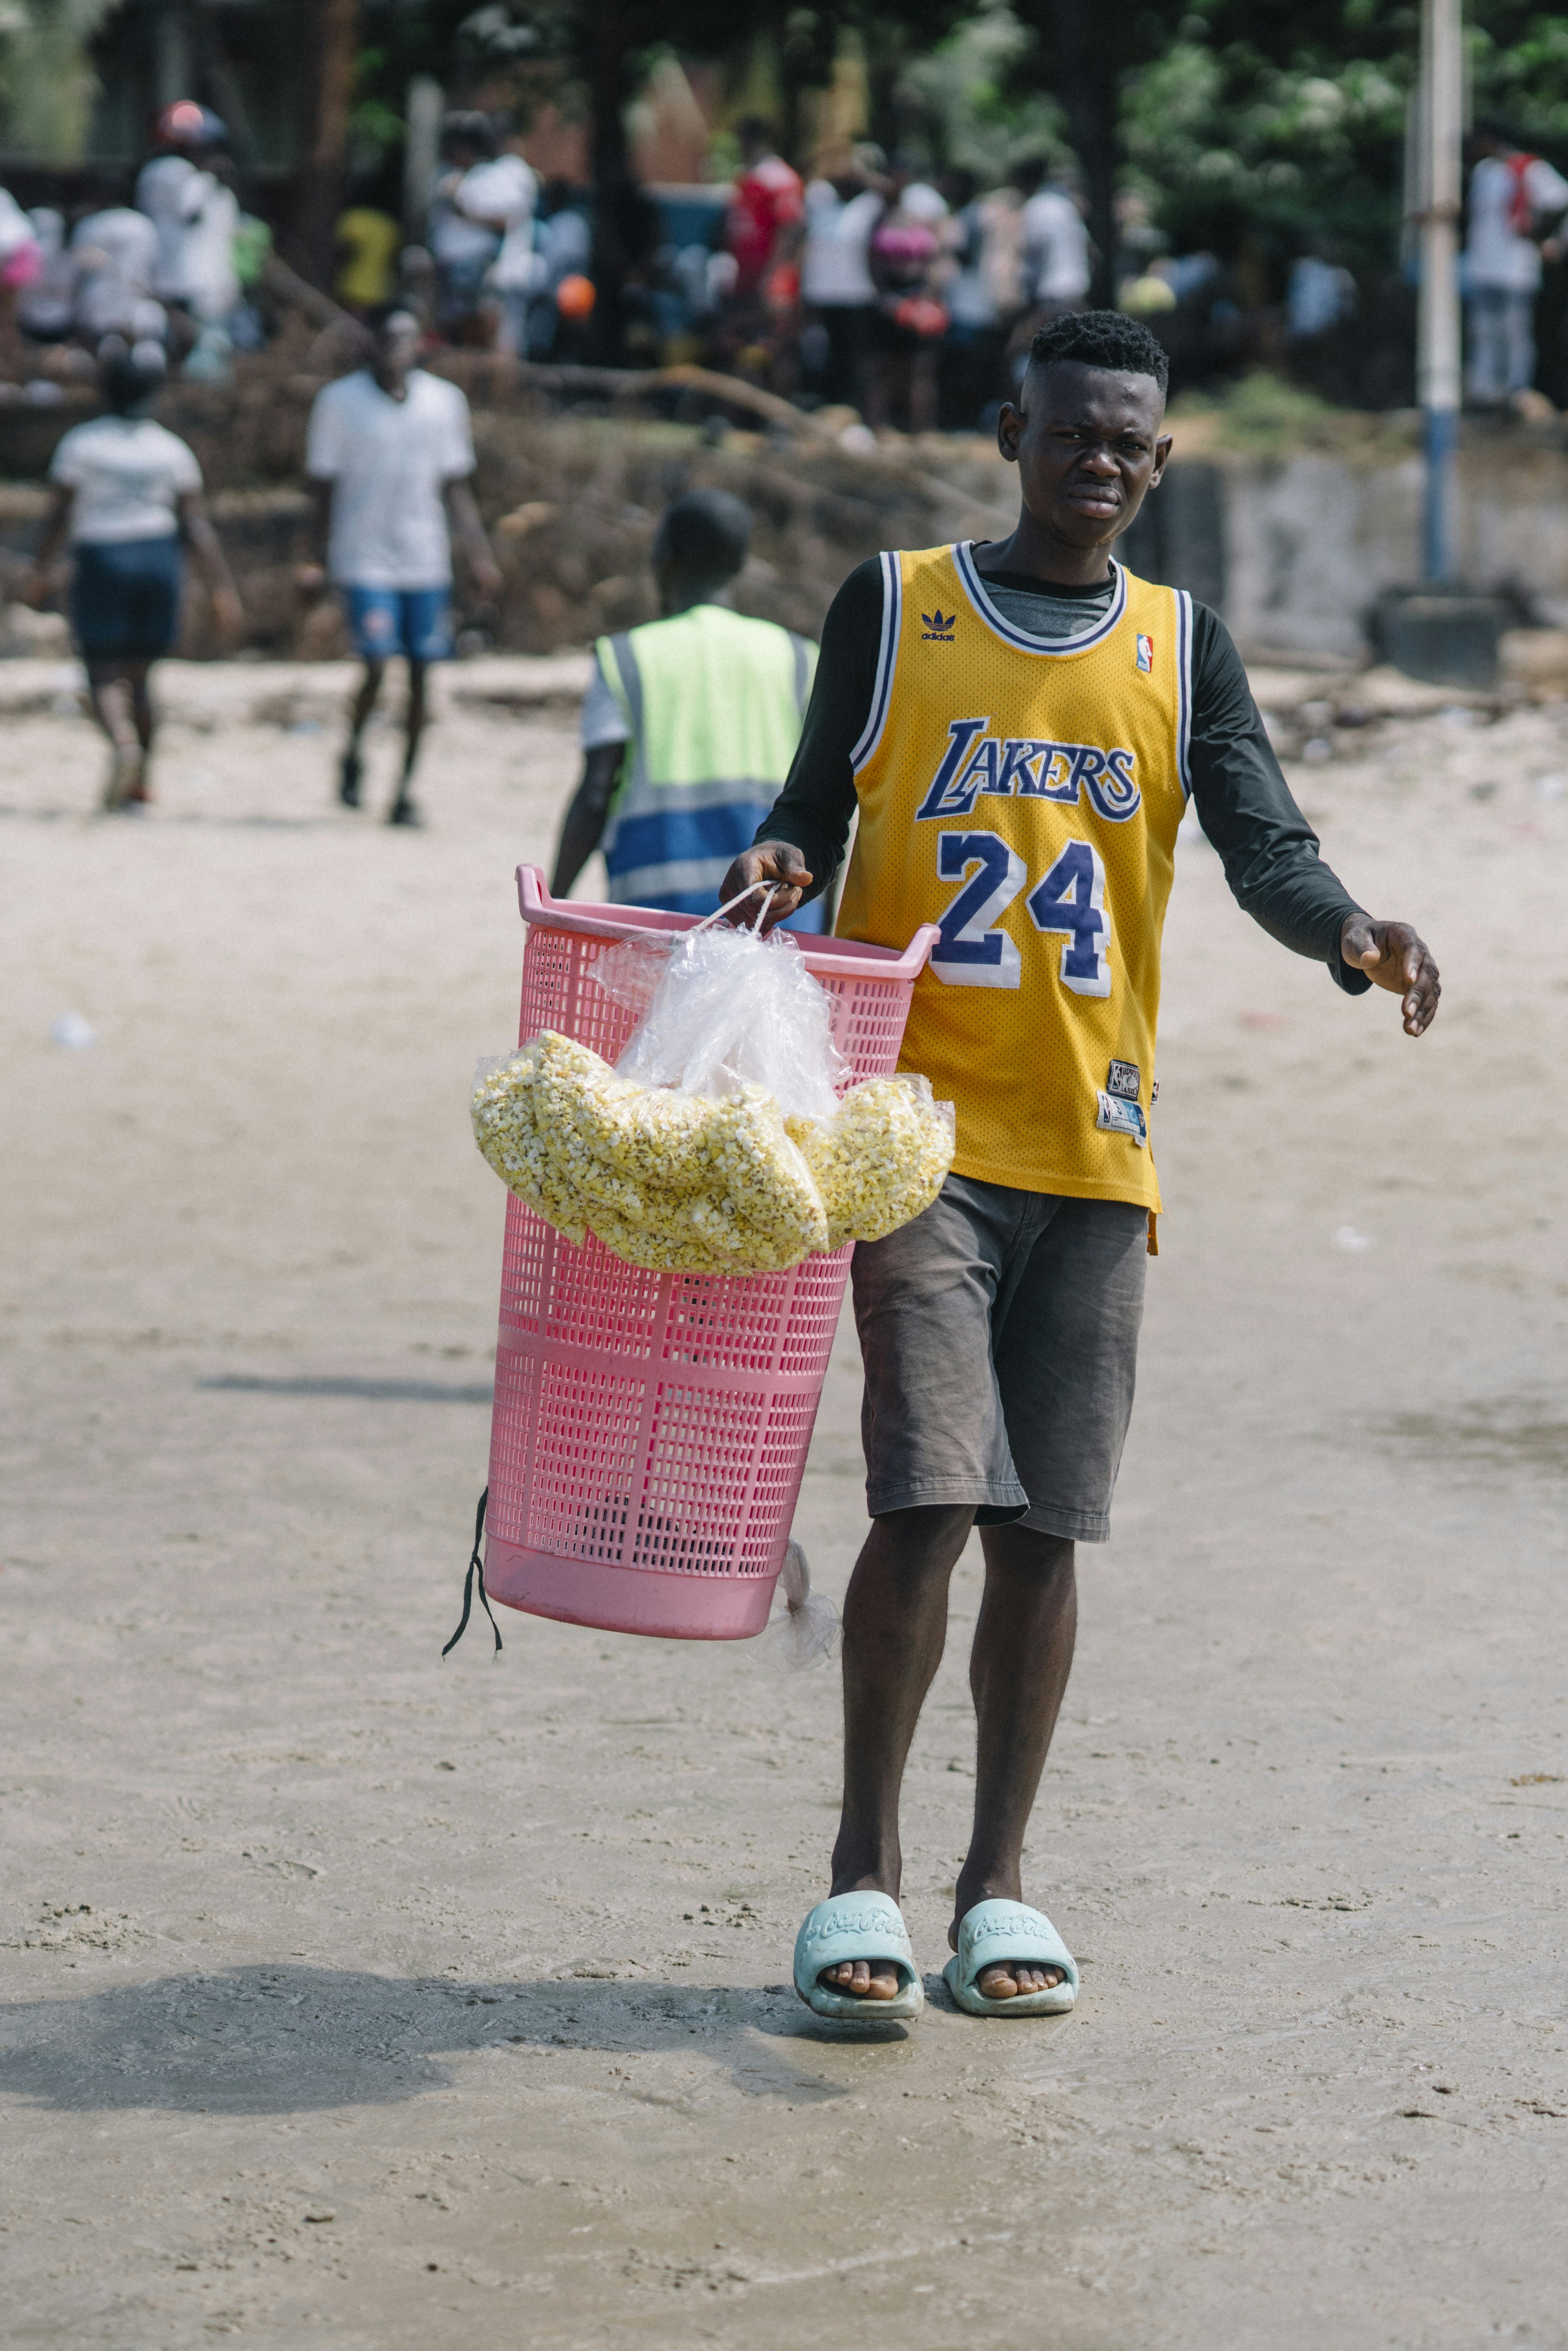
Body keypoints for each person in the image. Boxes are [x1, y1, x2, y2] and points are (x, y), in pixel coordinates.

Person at [720, 309, 1440, 2020]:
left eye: (1129, 442)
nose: (1097, 464)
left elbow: (1263, 837)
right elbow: (815, 798)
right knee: (929, 1493)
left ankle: (997, 1887)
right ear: (1009, 429)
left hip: (1100, 1147)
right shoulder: (896, 605)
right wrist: (780, 852)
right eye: (1070, 433)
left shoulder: (1183, 646)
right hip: (914, 1137)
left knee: (1047, 1528)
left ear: (1161, 459)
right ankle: (858, 1877)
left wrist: (1348, 930)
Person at [550, 488, 824, 932]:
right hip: (779, 913)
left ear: (665, 556)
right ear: (739, 563)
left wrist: (556, 904)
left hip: (659, 916)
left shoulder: (625, 657)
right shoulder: (799, 657)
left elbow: (596, 793)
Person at [301, 306, 502, 826]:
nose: (398, 349)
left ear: (421, 346)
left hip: (424, 559)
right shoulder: (339, 403)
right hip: (362, 556)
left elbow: (455, 488)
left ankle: (405, 789)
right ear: (371, 343)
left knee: (421, 675)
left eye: (408, 340)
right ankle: (353, 752)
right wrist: (312, 558)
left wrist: (478, 554)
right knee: (374, 660)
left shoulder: (443, 404)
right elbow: (321, 488)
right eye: (389, 339)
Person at [31, 346, 242, 810]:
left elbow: (58, 514)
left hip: (103, 557)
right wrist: (221, 586)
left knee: (102, 671)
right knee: (143, 677)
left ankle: (123, 743)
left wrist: (40, 570)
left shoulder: (83, 445)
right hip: (159, 560)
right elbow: (195, 525)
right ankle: (141, 783)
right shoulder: (169, 449)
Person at [1462, 124, 1568, 408]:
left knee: (1513, 333)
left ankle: (1515, 391)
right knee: (1483, 332)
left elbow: (1560, 200)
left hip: (1515, 269)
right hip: (1483, 267)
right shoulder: (1485, 171)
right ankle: (1486, 391)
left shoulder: (1530, 169)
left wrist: (1541, 235)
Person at [798, 159, 883, 408]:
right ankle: (827, 408)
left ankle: (855, 410)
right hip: (821, 295)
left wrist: (864, 174)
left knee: (857, 359)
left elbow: (888, 191)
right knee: (823, 357)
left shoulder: (869, 206)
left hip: (857, 296)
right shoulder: (820, 202)